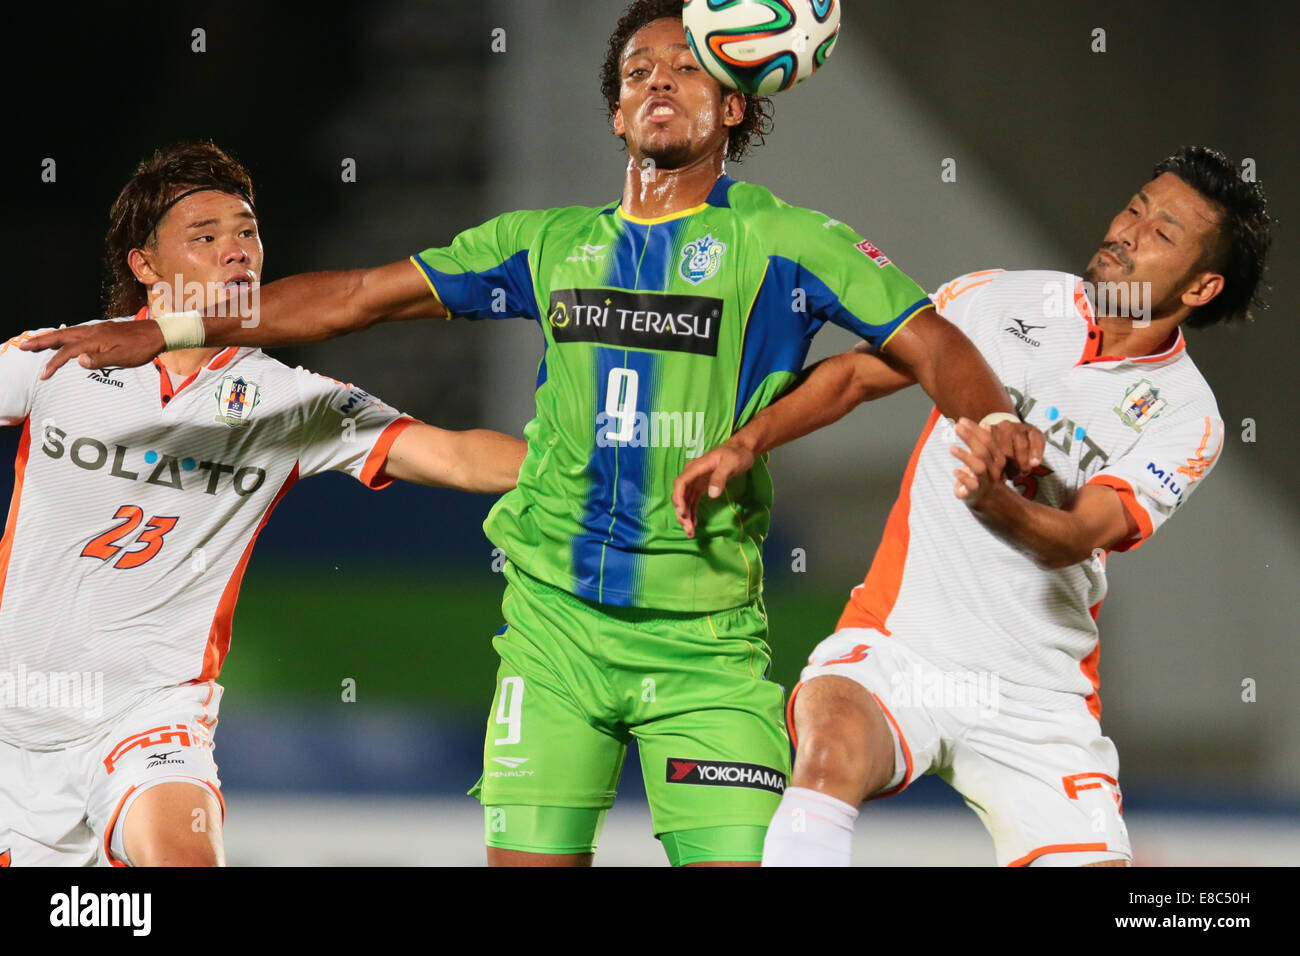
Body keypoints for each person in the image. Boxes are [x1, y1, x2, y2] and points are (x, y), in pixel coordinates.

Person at [22, 1, 1041, 866]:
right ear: (612, 111)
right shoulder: (543, 244)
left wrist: (988, 411)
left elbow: (931, 344)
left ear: (734, 104)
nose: (655, 80)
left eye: (684, 69)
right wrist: (167, 325)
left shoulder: (788, 241)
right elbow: (352, 298)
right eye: (636, 68)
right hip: (552, 633)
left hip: (706, 646)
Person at [673, 145, 1272, 867]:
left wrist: (994, 501)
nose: (1127, 230)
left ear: (1202, 287)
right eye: (1135, 208)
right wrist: (747, 442)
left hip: (1037, 694)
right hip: (899, 648)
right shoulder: (998, 300)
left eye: (1162, 233)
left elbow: (1077, 536)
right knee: (828, 748)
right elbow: (857, 376)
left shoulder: (1187, 416)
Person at [0, 142, 526, 867]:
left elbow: (458, 455)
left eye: (246, 231)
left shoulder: (287, 399)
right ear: (143, 266)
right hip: (15, 727)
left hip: (149, 719)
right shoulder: (58, 362)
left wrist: (606, 468)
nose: (236, 251)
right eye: (206, 236)